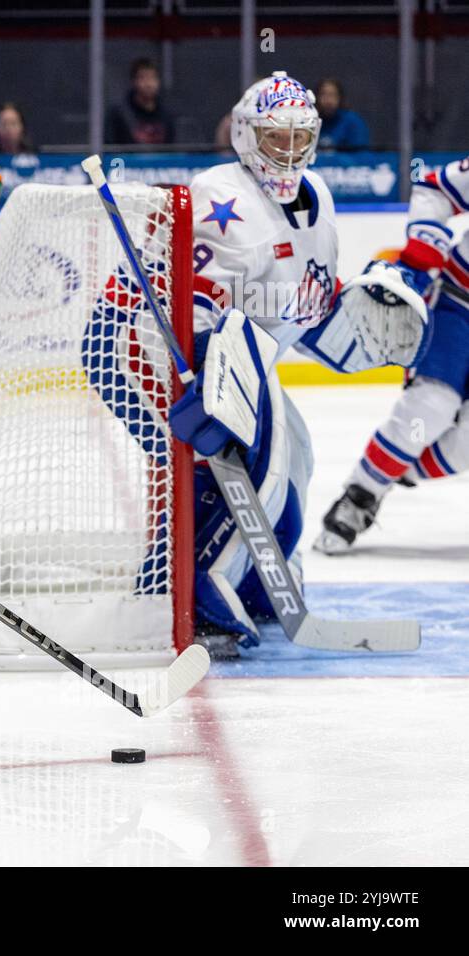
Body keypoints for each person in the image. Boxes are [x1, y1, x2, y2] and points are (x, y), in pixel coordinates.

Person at [89, 72, 428, 659]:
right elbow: (181, 314)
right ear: (247, 137)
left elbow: (303, 305)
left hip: (229, 358)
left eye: (302, 138)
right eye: (277, 138)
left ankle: (254, 584)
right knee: (237, 464)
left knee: (294, 457)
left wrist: (357, 319)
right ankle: (189, 599)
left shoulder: (316, 197)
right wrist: (205, 398)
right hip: (137, 348)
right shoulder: (224, 200)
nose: (291, 151)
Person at [314, 157, 469, 553]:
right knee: (429, 409)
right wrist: (425, 247)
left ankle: (396, 468)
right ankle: (361, 495)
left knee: (463, 444)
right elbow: (433, 188)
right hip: (457, 308)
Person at [106, 57, 174, 146]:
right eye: (143, 78)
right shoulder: (118, 113)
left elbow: (173, 149)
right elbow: (109, 149)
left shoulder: (167, 114)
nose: (149, 84)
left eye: (153, 78)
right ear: (133, 81)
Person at [314, 78, 370, 152]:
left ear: (340, 98)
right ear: (316, 98)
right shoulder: (310, 121)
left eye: (332, 95)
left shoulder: (353, 122)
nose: (328, 101)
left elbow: (361, 156)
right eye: (323, 94)